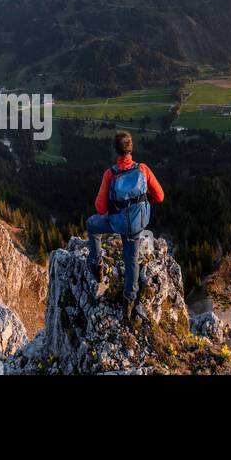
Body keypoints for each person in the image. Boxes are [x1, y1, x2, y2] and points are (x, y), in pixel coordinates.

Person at [86, 131, 164, 320]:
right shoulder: (143, 169)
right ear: (131, 148)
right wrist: (141, 203)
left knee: (91, 224)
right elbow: (160, 196)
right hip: (137, 225)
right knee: (131, 261)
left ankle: (96, 264)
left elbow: (100, 207)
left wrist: (117, 208)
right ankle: (129, 301)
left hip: (117, 223)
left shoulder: (110, 175)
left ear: (116, 150)